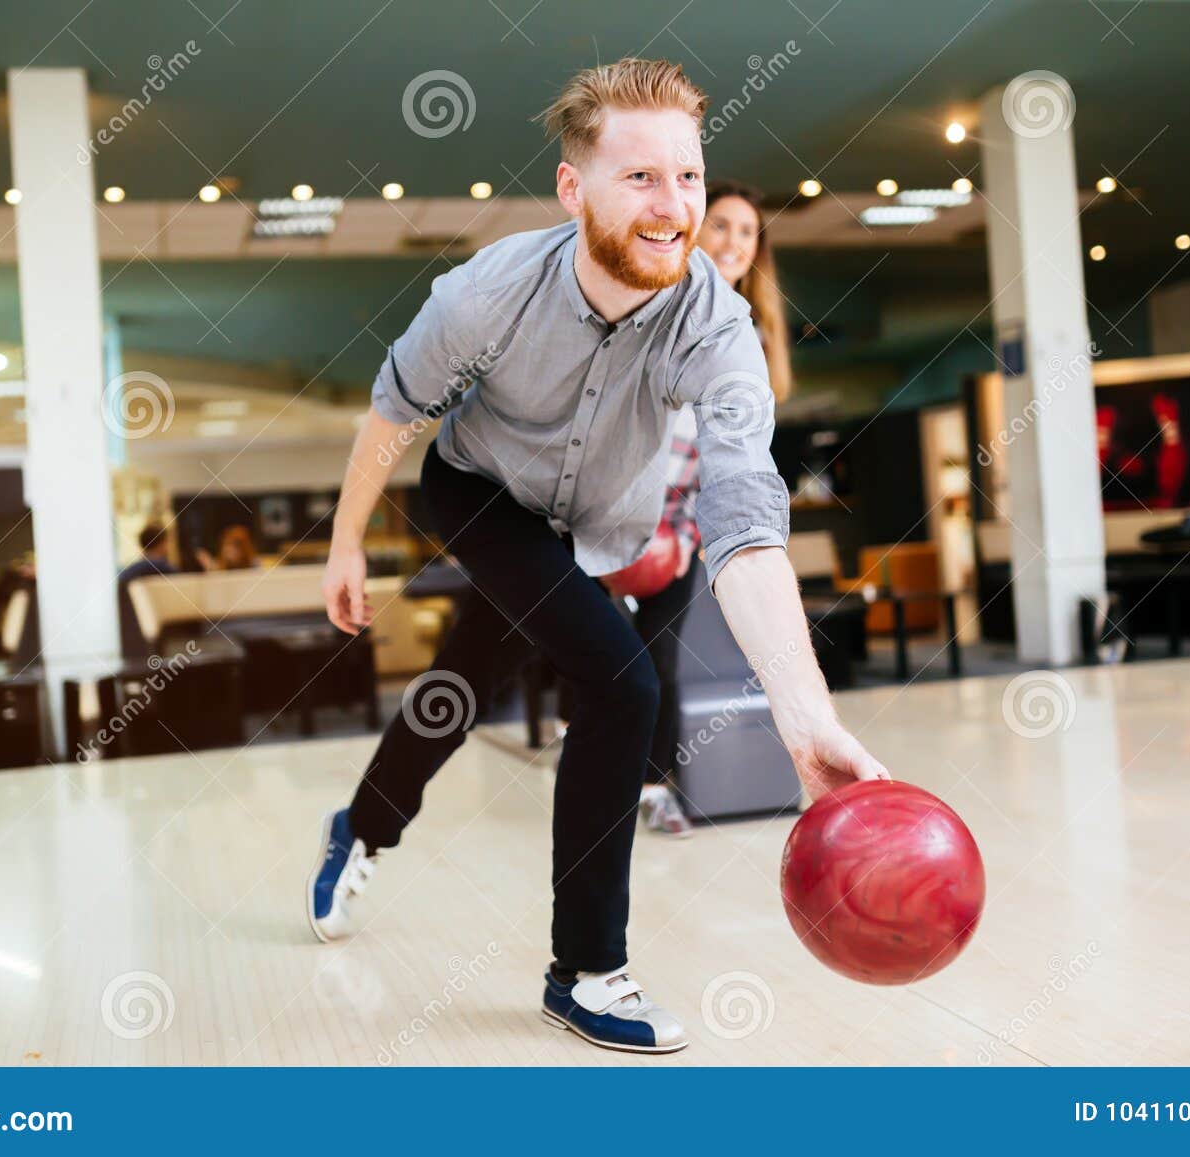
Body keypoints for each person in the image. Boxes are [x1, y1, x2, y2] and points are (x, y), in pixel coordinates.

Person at [309, 57, 889, 1055]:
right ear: (573, 189)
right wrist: (344, 541)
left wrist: (807, 720)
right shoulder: (484, 293)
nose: (676, 208)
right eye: (641, 179)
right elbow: (395, 411)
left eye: (690, 177)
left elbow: (745, 517)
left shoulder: (718, 327)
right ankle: (585, 969)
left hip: (596, 524)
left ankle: (359, 823)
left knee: (461, 682)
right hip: (482, 492)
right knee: (621, 684)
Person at [633, 178, 793, 838]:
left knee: (655, 657)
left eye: (746, 232)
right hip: (622, 504)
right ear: (697, 230)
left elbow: (741, 446)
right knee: (608, 656)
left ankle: (654, 784)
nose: (732, 241)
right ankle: (610, 765)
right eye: (721, 225)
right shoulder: (666, 303)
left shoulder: (754, 332)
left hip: (683, 521)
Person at [117, 523, 178, 659]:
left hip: (133, 645)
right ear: (163, 543)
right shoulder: (165, 569)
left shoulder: (128, 573)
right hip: (166, 648)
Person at [194, 524, 258, 571]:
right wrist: (210, 567)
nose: (229, 550)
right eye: (227, 545)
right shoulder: (219, 565)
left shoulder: (255, 564)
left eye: (235, 546)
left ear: (244, 548)